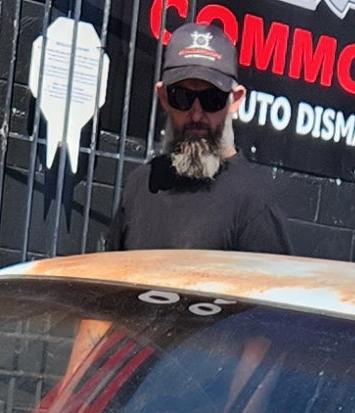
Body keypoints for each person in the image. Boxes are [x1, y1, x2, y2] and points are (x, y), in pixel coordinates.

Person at [114, 23, 295, 254]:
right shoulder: (140, 186)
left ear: (235, 100)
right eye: (182, 97)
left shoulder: (255, 206)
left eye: (212, 99)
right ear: (163, 97)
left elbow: (273, 289)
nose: (197, 114)